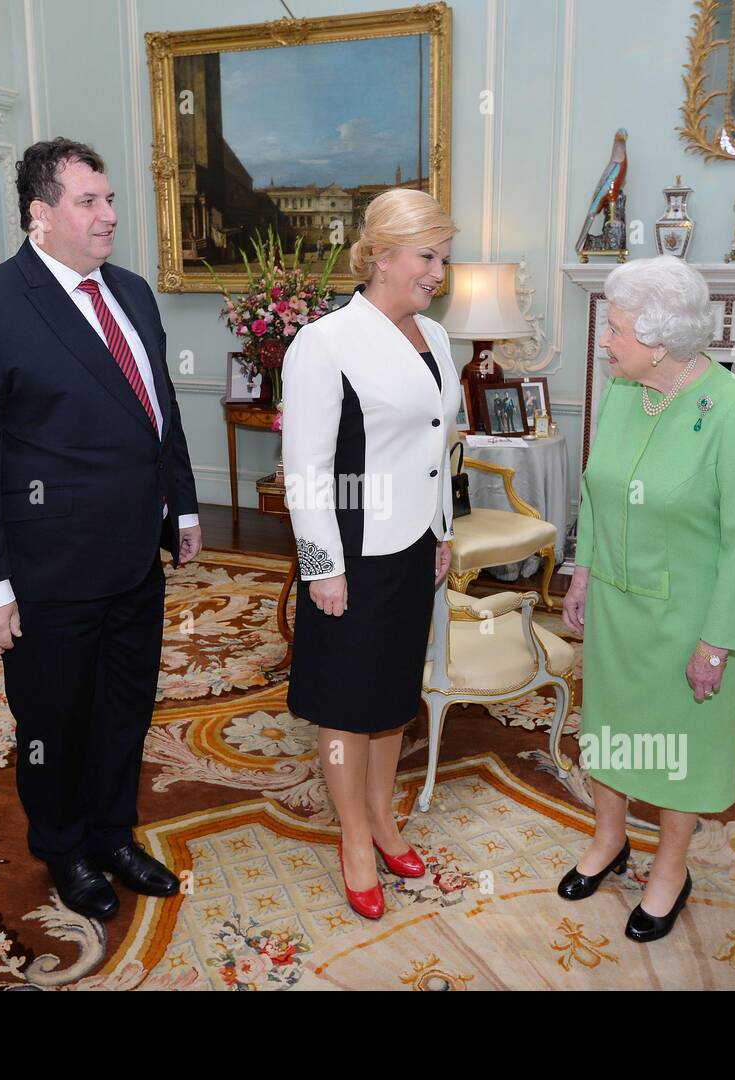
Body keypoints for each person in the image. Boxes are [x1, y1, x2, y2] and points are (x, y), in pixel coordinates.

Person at [0, 138, 201, 921]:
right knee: (54, 722)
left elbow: (161, 412)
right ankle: (65, 847)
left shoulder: (133, 292)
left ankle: (114, 834)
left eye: (110, 198)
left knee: (125, 707)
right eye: (89, 201)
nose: (109, 214)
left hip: (133, 560)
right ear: (39, 214)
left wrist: (179, 505)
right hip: (47, 569)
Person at [561, 254, 735, 942]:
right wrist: (584, 570)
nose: (605, 341)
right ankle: (609, 839)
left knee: (679, 748)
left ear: (659, 341)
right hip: (618, 608)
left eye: (616, 329)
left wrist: (717, 641)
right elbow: (596, 486)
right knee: (610, 732)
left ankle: (670, 869)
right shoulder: (626, 391)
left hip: (690, 619)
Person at [282, 188, 461, 919]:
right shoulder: (325, 343)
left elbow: (438, 446)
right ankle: (354, 834)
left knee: (390, 698)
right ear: (382, 256)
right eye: (428, 256)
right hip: (353, 549)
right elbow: (305, 469)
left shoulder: (438, 339)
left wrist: (444, 527)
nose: (439, 274)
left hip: (414, 542)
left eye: (444, 258)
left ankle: (385, 817)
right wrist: (322, 568)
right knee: (344, 702)